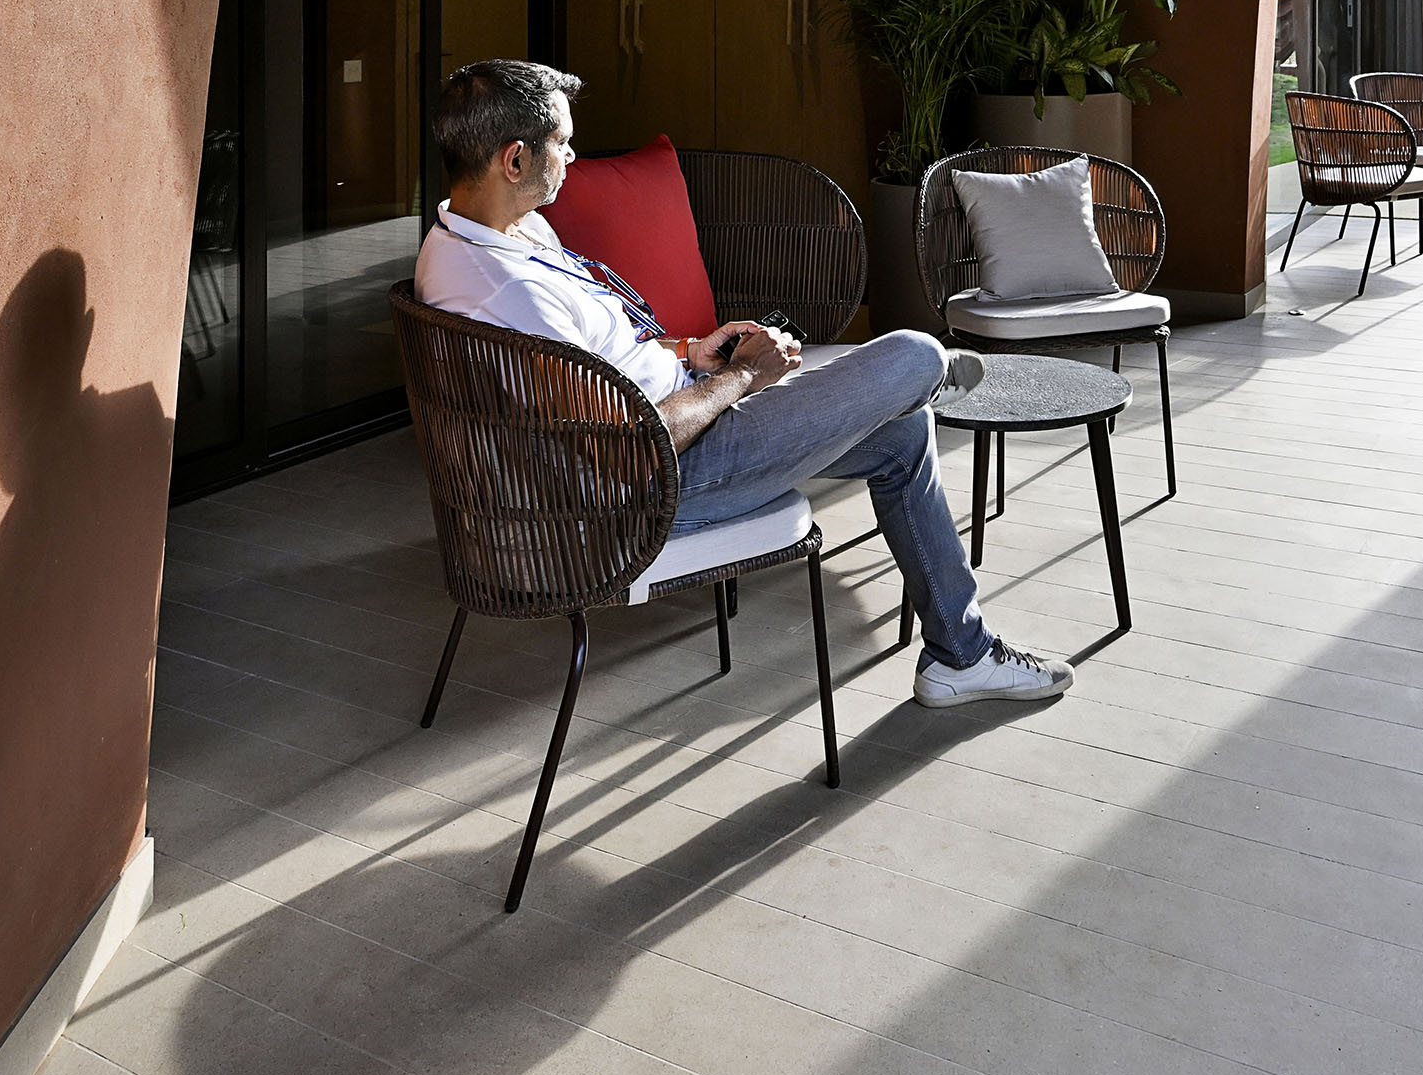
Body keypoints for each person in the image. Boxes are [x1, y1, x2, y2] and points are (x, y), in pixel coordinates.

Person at [412, 59, 1074, 707]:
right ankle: (918, 392)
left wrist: (692, 353)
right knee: (915, 354)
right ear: (514, 161)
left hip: (675, 418)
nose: (574, 155)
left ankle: (962, 655)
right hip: (650, 487)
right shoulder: (507, 293)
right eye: (561, 141)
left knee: (903, 430)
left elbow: (602, 359)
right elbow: (625, 448)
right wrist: (742, 377)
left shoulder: (484, 233)